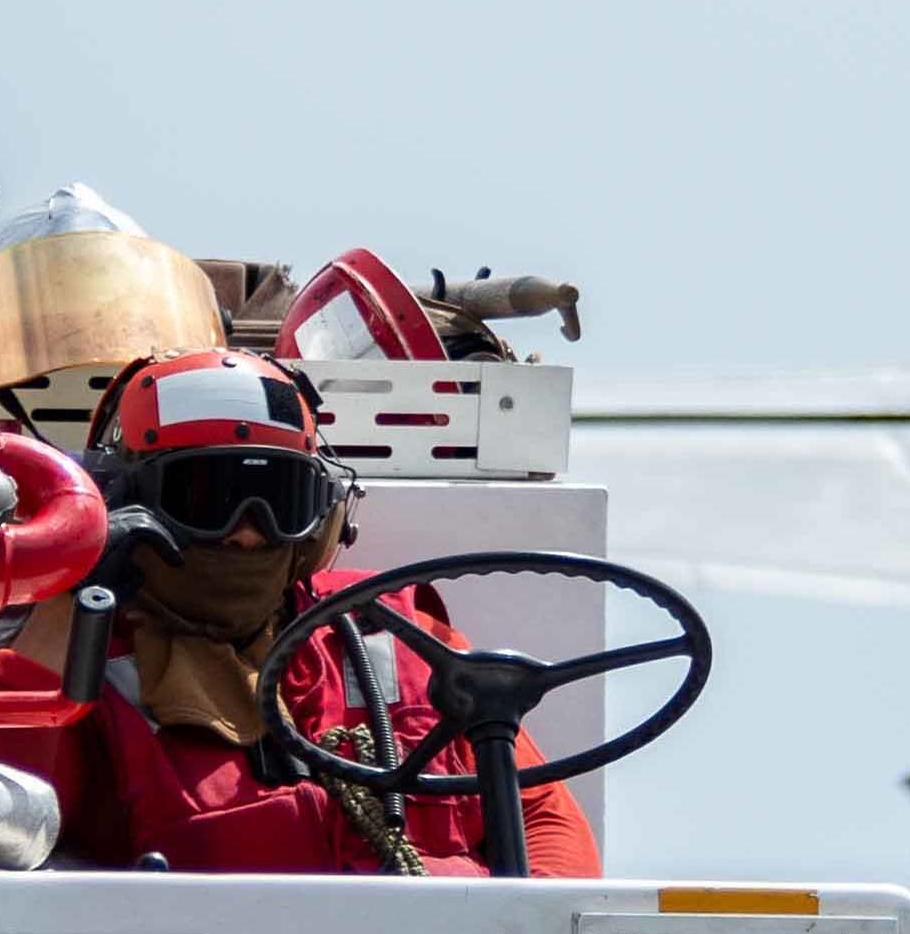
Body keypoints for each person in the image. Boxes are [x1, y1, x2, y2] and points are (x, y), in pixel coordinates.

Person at [36, 350, 601, 876]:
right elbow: (5, 832)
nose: (248, 533)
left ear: (323, 519)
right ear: (126, 504)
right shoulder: (79, 658)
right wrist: (72, 595)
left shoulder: (399, 630)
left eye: (279, 500)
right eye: (208, 498)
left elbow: (542, 818)